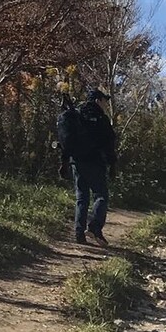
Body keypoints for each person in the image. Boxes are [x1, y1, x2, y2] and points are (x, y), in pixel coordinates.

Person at [57, 87, 117, 244]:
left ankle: (79, 234)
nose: (105, 104)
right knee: (101, 195)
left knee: (81, 197)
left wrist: (64, 162)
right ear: (98, 100)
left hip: (77, 161)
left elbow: (67, 140)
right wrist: (112, 164)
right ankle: (94, 227)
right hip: (95, 162)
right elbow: (109, 143)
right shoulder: (101, 118)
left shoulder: (75, 115)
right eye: (104, 100)